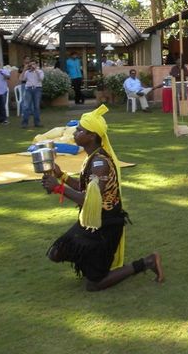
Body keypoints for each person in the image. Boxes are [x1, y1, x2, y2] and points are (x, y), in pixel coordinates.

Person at [40, 105, 164, 290]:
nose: (75, 132)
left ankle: (147, 262)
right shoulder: (92, 158)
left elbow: (89, 199)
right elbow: (83, 188)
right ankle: (91, 263)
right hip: (91, 220)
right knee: (56, 253)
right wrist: (61, 176)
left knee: (94, 284)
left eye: (80, 130)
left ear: (92, 136)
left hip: (106, 225)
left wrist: (58, 188)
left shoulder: (100, 163)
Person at [20, 59, 45, 128]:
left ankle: (37, 122)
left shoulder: (40, 71)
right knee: (26, 106)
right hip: (28, 89)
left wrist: (36, 71)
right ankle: (24, 123)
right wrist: (24, 70)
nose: (32, 66)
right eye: (31, 64)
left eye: (34, 64)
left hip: (37, 89)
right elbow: (21, 79)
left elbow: (41, 79)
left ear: (36, 65)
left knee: (36, 106)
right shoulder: (27, 72)